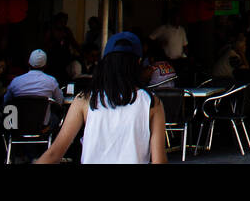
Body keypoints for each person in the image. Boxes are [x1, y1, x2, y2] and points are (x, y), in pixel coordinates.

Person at [35, 32, 166, 164]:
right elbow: (159, 161)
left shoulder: (84, 100)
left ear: (105, 61)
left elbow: (53, 154)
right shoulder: (152, 103)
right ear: (138, 62)